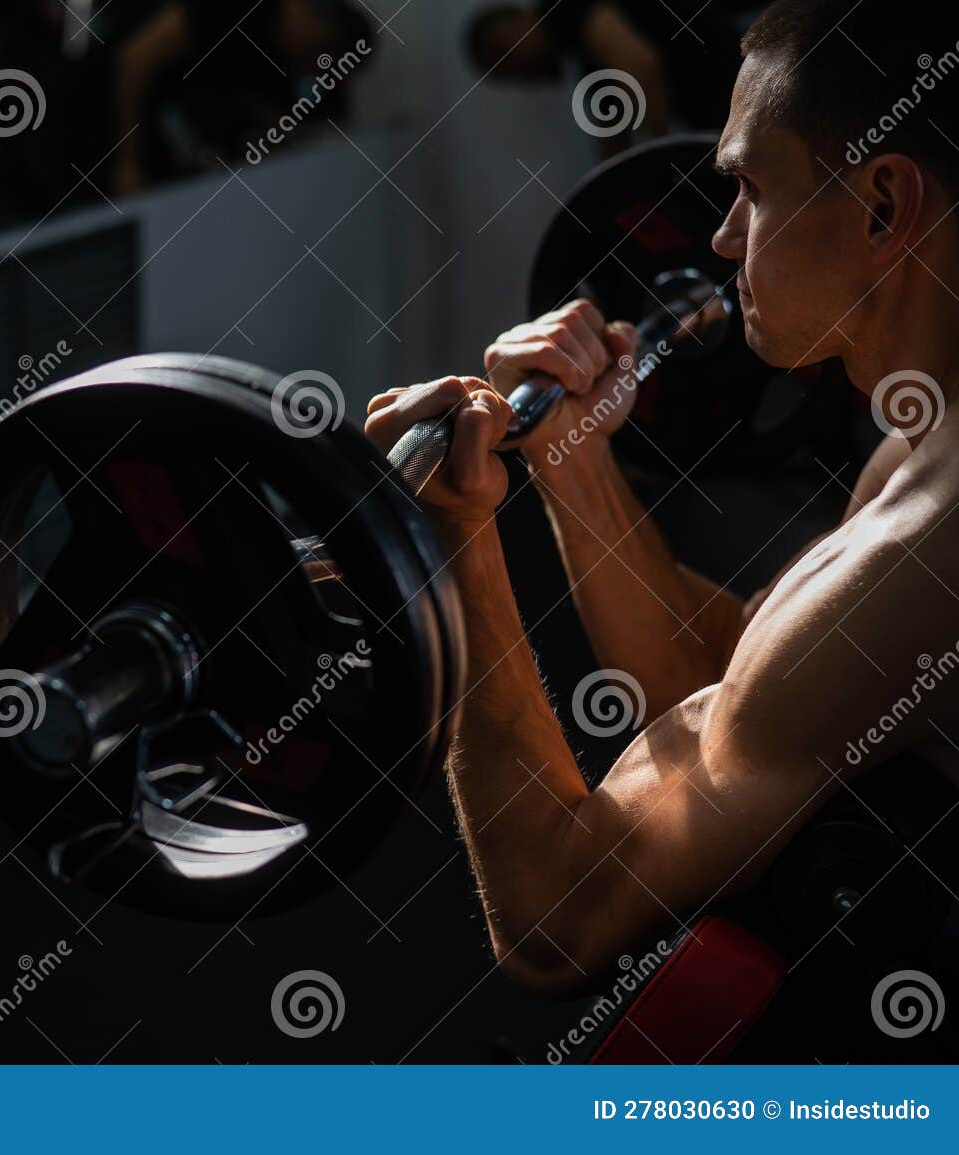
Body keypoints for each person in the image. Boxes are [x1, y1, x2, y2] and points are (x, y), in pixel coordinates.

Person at [365, 0, 959, 992]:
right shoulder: (918, 447)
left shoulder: (930, 540)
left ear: (882, 207)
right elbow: (743, 686)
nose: (723, 239)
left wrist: (446, 542)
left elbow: (559, 913)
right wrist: (571, 460)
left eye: (749, 189)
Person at [107, 0, 373, 195]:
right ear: (315, 27)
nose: (310, 71)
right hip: (109, 109)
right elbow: (135, 59)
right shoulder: (238, 9)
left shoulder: (285, 62)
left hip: (168, 151)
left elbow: (273, 129)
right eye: (317, 58)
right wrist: (128, 165)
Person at [466, 2, 767, 152]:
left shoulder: (565, 12)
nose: (524, 78)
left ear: (506, 37)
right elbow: (612, 118)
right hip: (733, 82)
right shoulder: (577, 49)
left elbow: (639, 63)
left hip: (739, 61)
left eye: (511, 66)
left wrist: (662, 149)